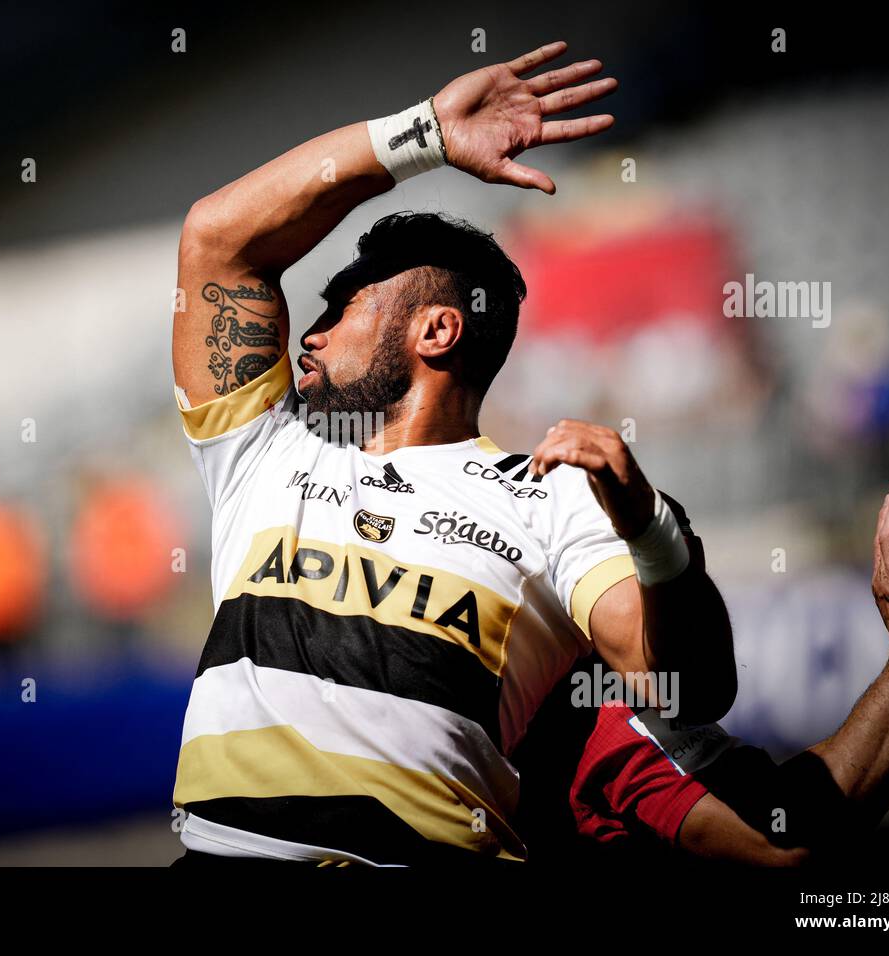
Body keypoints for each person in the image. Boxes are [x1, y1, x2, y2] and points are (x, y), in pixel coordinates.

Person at [169, 41, 736, 866]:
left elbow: (688, 682)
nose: (312, 333)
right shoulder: (261, 451)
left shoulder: (552, 497)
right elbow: (215, 239)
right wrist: (420, 136)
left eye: (342, 305)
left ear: (437, 328)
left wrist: (651, 533)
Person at [530, 481, 889, 866]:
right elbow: (798, 834)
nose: (689, 583)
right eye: (663, 565)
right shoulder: (611, 723)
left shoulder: (562, 680)